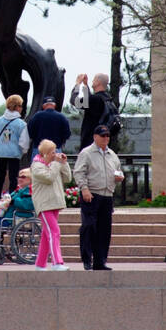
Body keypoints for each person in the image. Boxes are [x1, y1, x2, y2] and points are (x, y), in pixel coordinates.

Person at [73, 124, 122, 270]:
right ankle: (87, 259)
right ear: (95, 137)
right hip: (92, 194)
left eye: (107, 136)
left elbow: (118, 170)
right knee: (89, 227)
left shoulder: (112, 154)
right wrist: (84, 189)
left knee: (104, 230)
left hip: (107, 195)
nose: (105, 138)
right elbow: (79, 172)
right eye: (102, 135)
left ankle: (100, 261)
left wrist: (119, 177)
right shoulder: (86, 153)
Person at [29, 140, 71, 270]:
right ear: (45, 154)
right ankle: (57, 263)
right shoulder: (36, 166)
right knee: (54, 231)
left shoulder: (54, 164)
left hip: (54, 203)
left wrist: (64, 163)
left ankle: (40, 264)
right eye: (52, 152)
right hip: (44, 205)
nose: (55, 154)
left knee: (46, 234)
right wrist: (57, 163)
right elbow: (49, 178)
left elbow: (68, 178)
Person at [0, 94, 30, 202]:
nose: (22, 108)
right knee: (13, 179)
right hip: (14, 154)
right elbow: (24, 142)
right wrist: (23, 151)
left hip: (1, 153)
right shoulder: (21, 124)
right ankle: (12, 201)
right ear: (17, 107)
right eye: (21, 106)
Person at [70, 72, 116, 151]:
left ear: (98, 82)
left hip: (90, 144)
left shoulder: (95, 99)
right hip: (104, 144)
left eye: (94, 80)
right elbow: (89, 100)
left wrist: (77, 84)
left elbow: (74, 101)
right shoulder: (108, 99)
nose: (92, 81)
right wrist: (85, 85)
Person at [27, 95, 71, 161]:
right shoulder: (62, 117)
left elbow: (29, 132)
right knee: (55, 167)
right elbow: (67, 134)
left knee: (38, 167)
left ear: (43, 106)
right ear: (54, 105)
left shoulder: (37, 116)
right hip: (56, 149)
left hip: (39, 149)